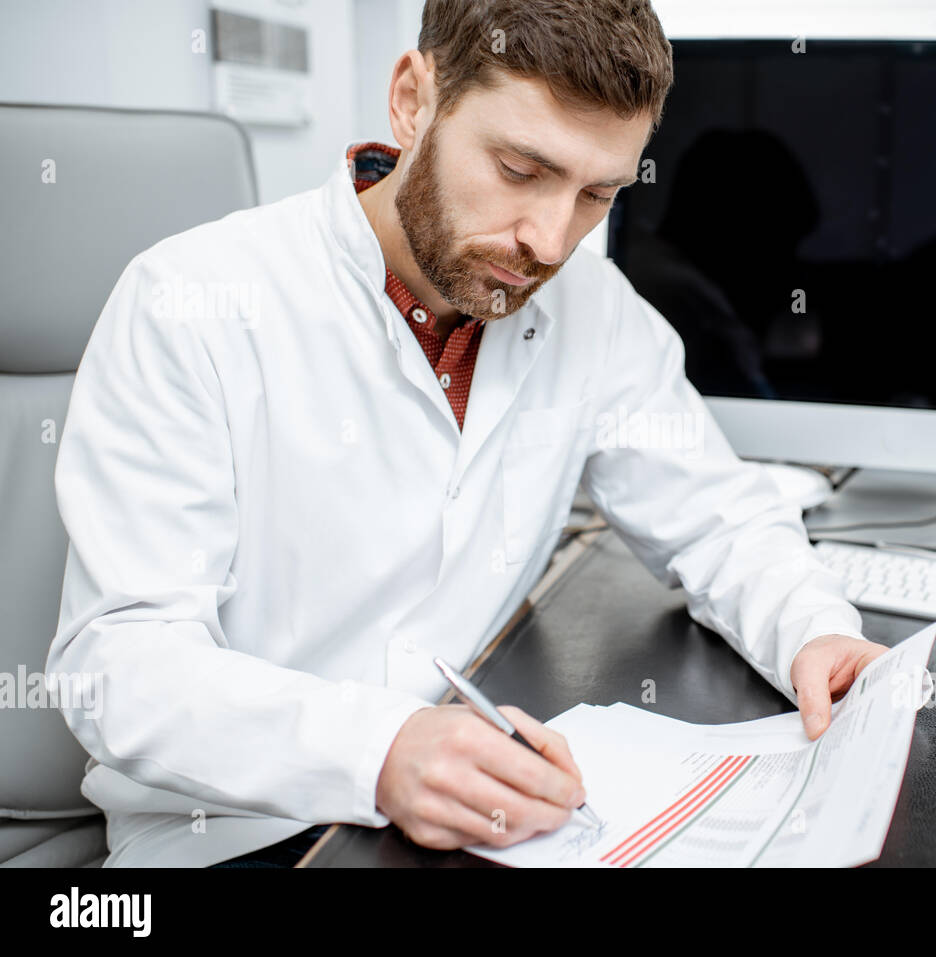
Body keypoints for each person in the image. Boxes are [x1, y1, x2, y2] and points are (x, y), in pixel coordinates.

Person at [47, 0, 887, 868]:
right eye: (522, 169)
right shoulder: (190, 301)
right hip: (237, 832)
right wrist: (381, 750)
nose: (549, 241)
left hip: (475, 808)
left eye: (597, 194)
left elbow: (723, 519)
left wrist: (811, 627)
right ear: (414, 99)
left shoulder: (591, 310)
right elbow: (119, 664)